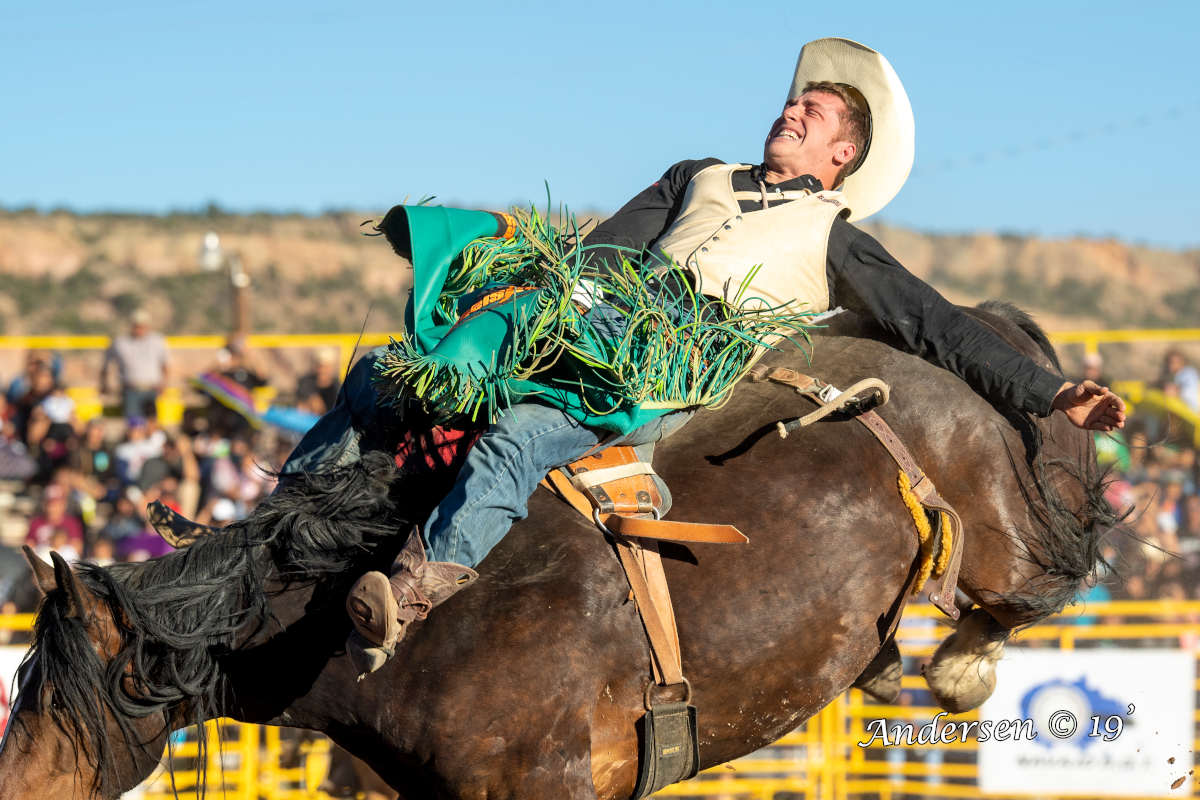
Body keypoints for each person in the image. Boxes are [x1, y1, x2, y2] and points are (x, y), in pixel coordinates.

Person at [281, 38, 1127, 671]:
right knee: (388, 375)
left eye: (817, 113)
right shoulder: (698, 173)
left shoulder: (835, 236)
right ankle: (286, 515)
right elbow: (608, 249)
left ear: (842, 158)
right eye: (795, 103)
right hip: (593, 320)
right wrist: (550, 306)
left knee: (525, 434)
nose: (792, 111)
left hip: (676, 369)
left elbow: (936, 325)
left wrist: (1052, 394)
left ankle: (421, 586)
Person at [100, 309, 169, 420]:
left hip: (151, 389)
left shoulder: (157, 341)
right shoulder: (120, 342)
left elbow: (165, 366)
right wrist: (105, 384)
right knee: (134, 424)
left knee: (152, 423)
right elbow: (106, 365)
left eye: (142, 326)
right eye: (137, 326)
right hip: (130, 390)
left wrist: (164, 384)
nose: (139, 329)